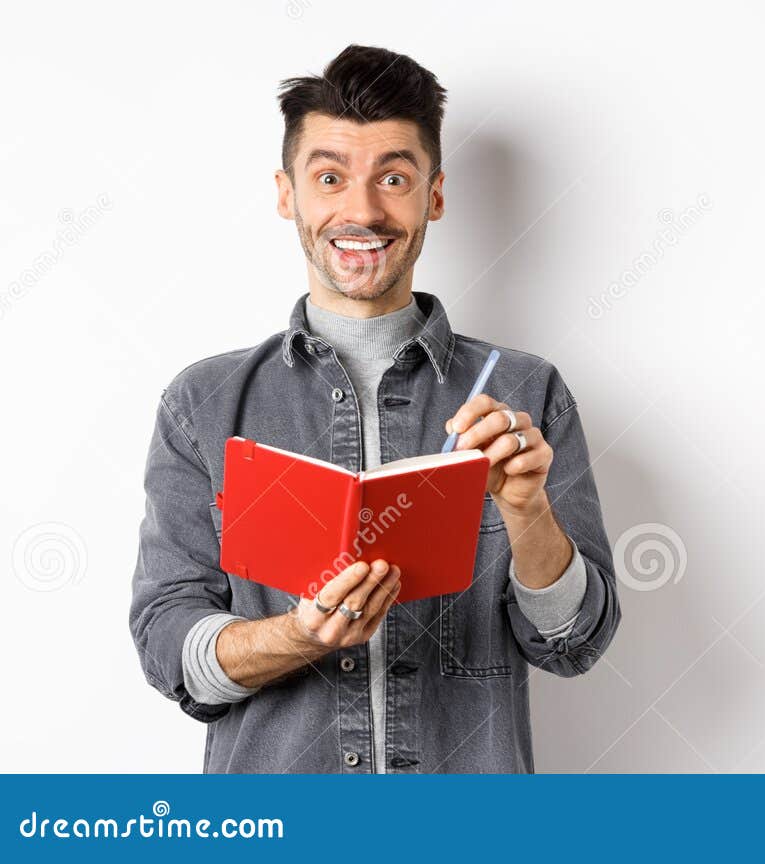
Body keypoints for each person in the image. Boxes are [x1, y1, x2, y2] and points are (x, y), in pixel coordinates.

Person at [127, 44, 620, 773]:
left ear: (435, 195)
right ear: (288, 193)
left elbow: (575, 641)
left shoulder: (526, 393)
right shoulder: (202, 404)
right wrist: (299, 634)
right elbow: (168, 645)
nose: (361, 210)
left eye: (393, 177)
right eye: (330, 177)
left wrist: (527, 513)